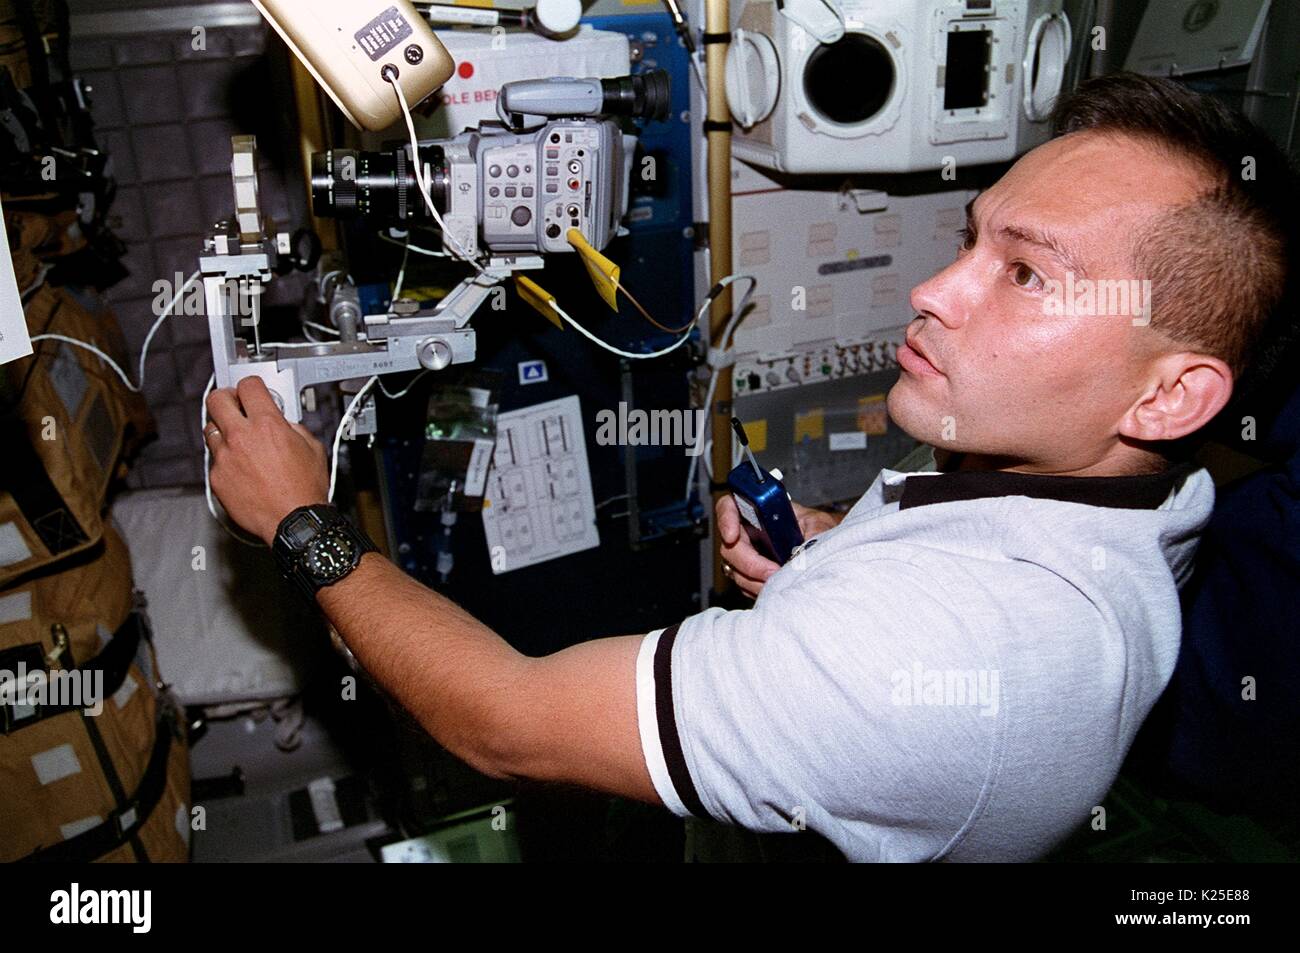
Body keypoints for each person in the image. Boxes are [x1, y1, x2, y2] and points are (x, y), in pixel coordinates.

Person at [202, 73, 1296, 861]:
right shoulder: (1127, 481)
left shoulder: (928, 658)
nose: (934, 289)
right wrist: (826, 553)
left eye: (1024, 274)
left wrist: (303, 520)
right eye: (971, 238)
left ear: (1169, 394)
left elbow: (503, 722)